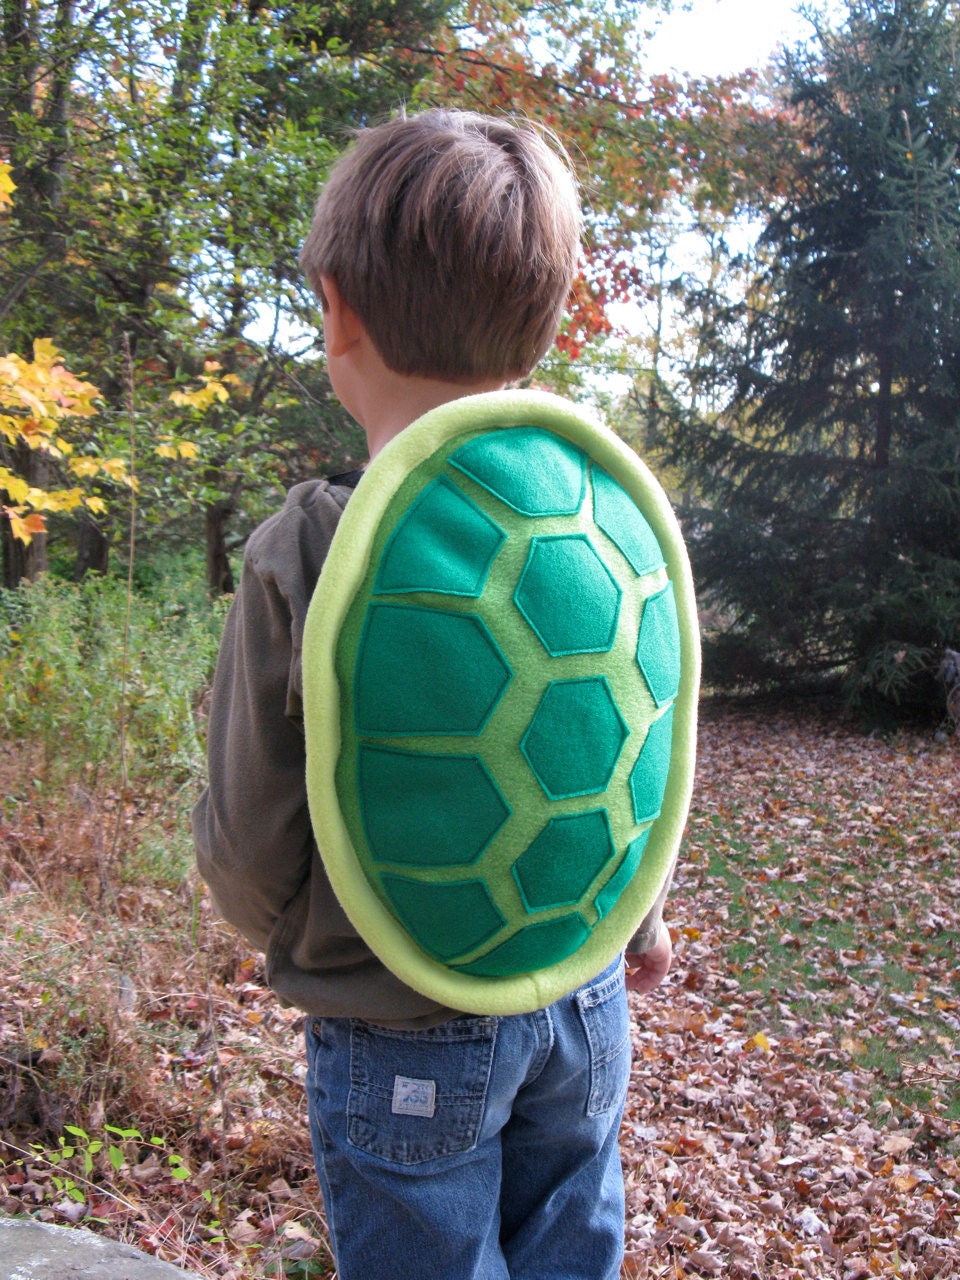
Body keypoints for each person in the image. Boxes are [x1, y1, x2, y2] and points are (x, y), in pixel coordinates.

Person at [193, 108, 675, 1280]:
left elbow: (251, 840)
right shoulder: (604, 512)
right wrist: (644, 913)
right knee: (573, 1240)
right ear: (547, 315)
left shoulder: (309, 545)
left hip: (395, 1014)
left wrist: (286, 933)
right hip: (582, 992)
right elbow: (634, 725)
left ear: (335, 307)